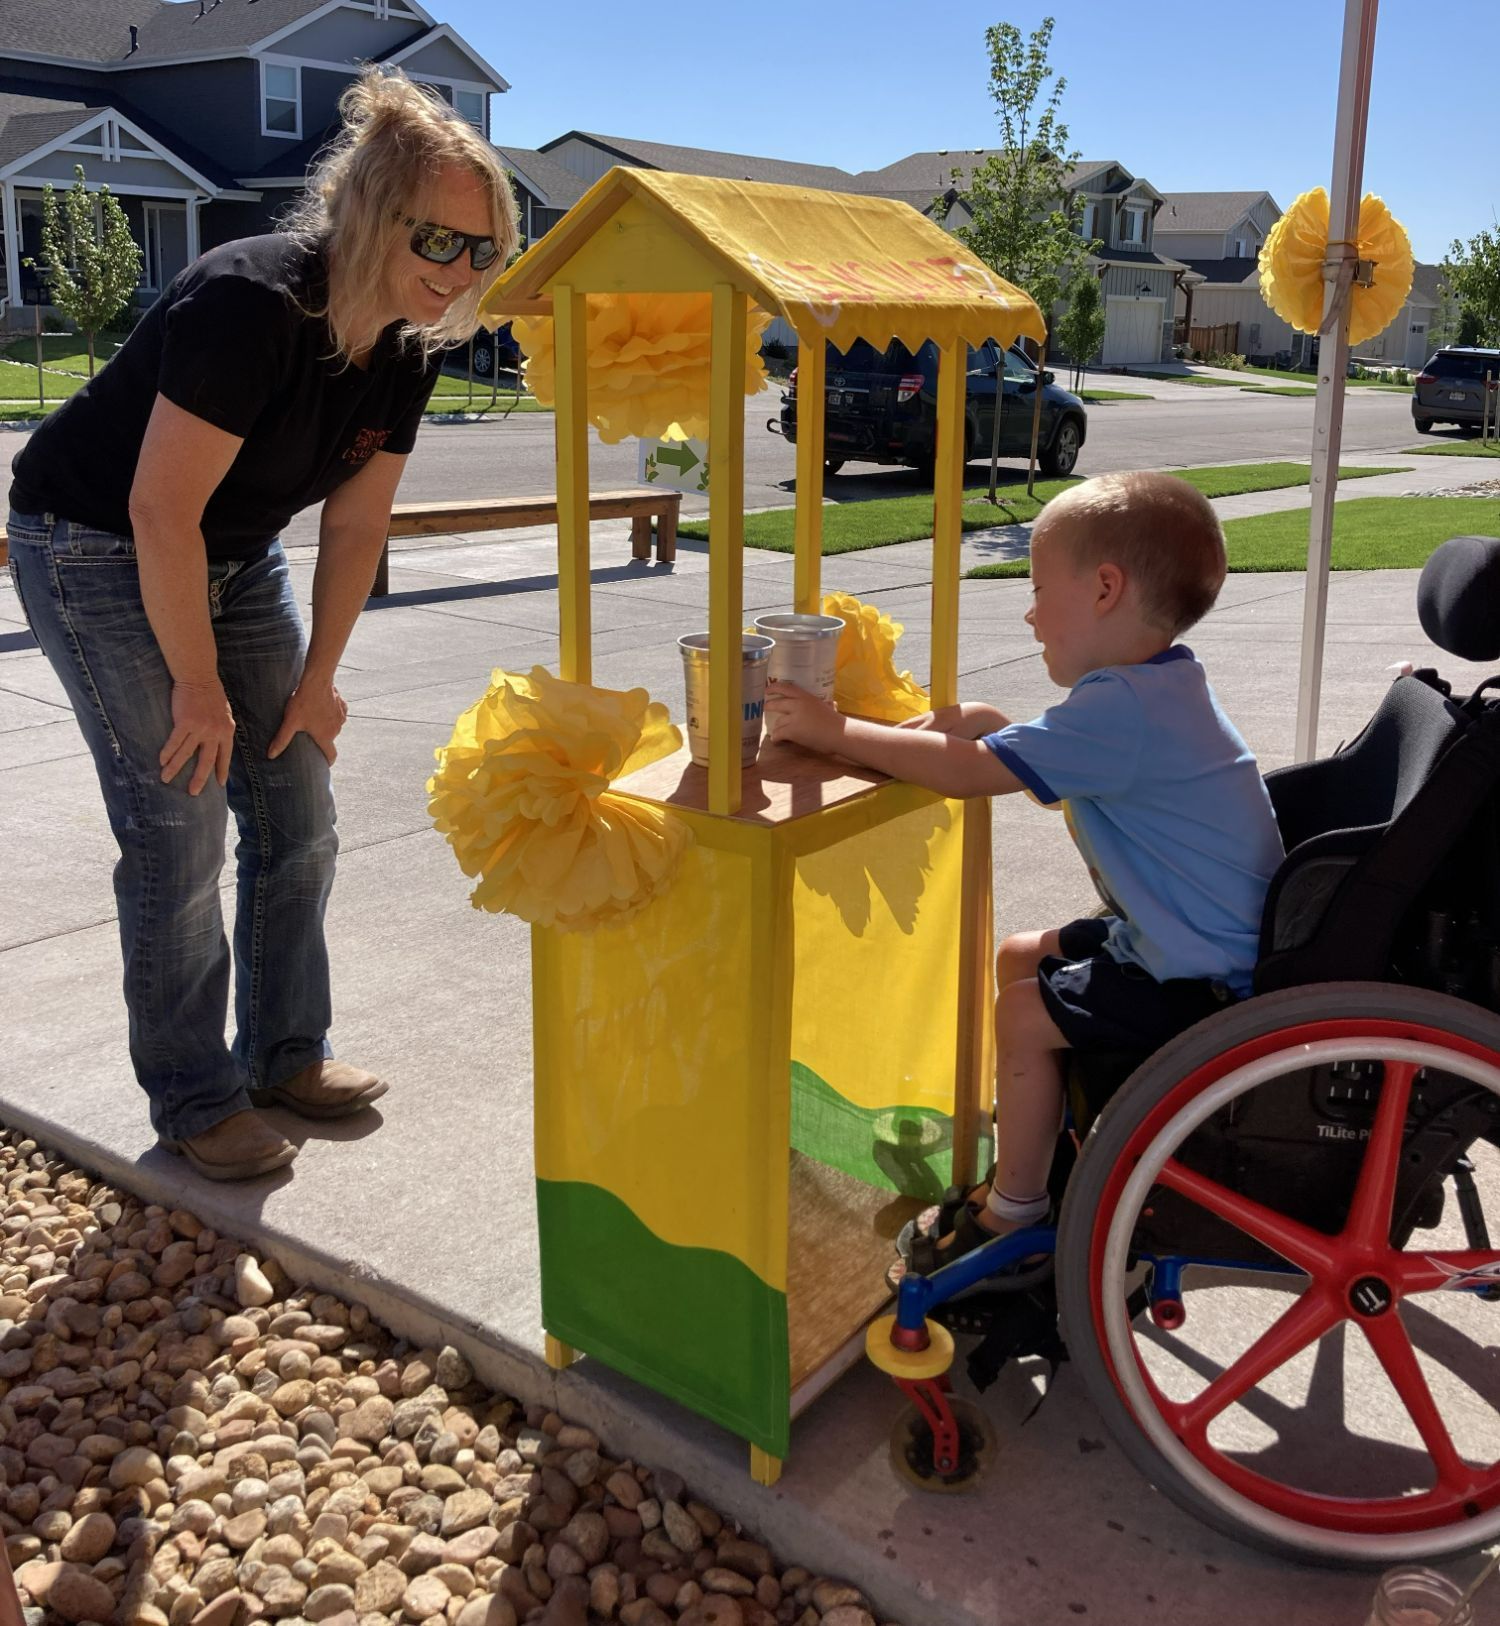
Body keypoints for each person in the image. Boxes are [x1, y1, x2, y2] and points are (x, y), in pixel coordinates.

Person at [6, 69, 519, 1181]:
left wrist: (319, 675)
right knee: (179, 818)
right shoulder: (253, 300)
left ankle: (287, 1055)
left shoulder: (408, 348)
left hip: (230, 556)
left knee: (298, 800)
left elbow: (356, 521)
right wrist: (197, 684)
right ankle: (194, 1097)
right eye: (441, 242)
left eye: (483, 252)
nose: (459, 274)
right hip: (95, 543)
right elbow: (157, 509)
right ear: (376, 213)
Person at [765, 470, 1284, 1273]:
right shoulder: (1152, 689)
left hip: (1202, 979)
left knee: (1022, 1012)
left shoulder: (1122, 711)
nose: (1031, 610)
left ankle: (1016, 1209)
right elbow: (1012, 752)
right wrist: (964, 728)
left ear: (1106, 588)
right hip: (1191, 941)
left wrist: (836, 731)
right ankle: (1040, 1133)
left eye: (1042, 588)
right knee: (1017, 957)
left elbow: (975, 773)